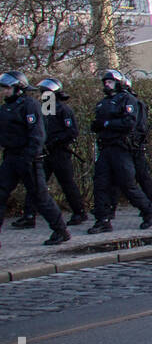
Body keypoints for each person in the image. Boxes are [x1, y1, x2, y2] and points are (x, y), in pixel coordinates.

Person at [0, 72, 70, 247]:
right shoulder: (5, 108)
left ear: (18, 88)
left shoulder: (29, 105)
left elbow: (37, 134)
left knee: (40, 196)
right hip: (11, 157)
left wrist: (29, 156)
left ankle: (60, 230)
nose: (4, 92)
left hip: (29, 158)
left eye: (7, 88)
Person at [88, 70, 152, 233]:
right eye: (105, 82)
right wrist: (97, 125)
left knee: (127, 184)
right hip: (105, 148)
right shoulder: (103, 102)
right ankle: (102, 219)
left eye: (110, 82)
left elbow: (128, 123)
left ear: (119, 83)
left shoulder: (128, 100)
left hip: (121, 148)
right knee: (100, 184)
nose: (106, 84)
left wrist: (106, 124)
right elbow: (100, 122)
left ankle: (148, 210)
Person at [15, 77, 88, 227]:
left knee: (67, 184)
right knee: (36, 185)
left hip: (60, 153)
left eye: (44, 92)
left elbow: (72, 132)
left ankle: (79, 212)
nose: (42, 95)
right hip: (45, 153)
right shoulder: (45, 109)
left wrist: (55, 141)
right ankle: (29, 216)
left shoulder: (64, 109)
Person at [124, 76, 152, 208]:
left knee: (142, 175)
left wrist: (135, 140)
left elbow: (140, 125)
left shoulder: (136, 103)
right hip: (122, 146)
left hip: (136, 145)